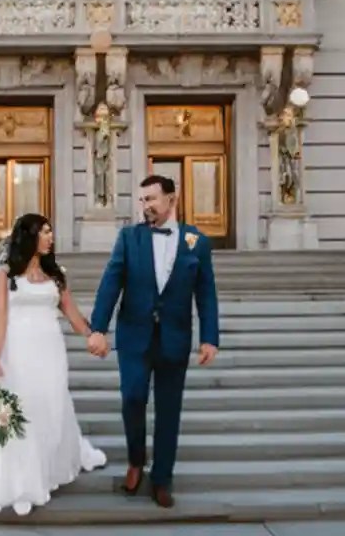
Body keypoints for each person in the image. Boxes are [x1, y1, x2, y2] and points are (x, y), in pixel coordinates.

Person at [87, 175, 220, 509]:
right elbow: (110, 283)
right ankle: (135, 461)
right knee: (132, 398)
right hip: (134, 336)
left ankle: (162, 478)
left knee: (169, 410)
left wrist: (209, 338)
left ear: (171, 200)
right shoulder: (129, 238)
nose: (145, 206)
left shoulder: (196, 241)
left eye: (151, 199)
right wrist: (98, 328)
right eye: (142, 200)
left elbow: (206, 293)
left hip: (174, 339)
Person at [0, 213, 107, 516]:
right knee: (20, 415)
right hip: (17, 352)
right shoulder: (4, 274)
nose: (50, 237)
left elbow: (74, 316)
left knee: (50, 408)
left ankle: (45, 472)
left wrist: (95, 336)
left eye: (51, 231)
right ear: (28, 236)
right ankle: (19, 484)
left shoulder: (56, 274)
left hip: (50, 352)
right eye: (44, 232)